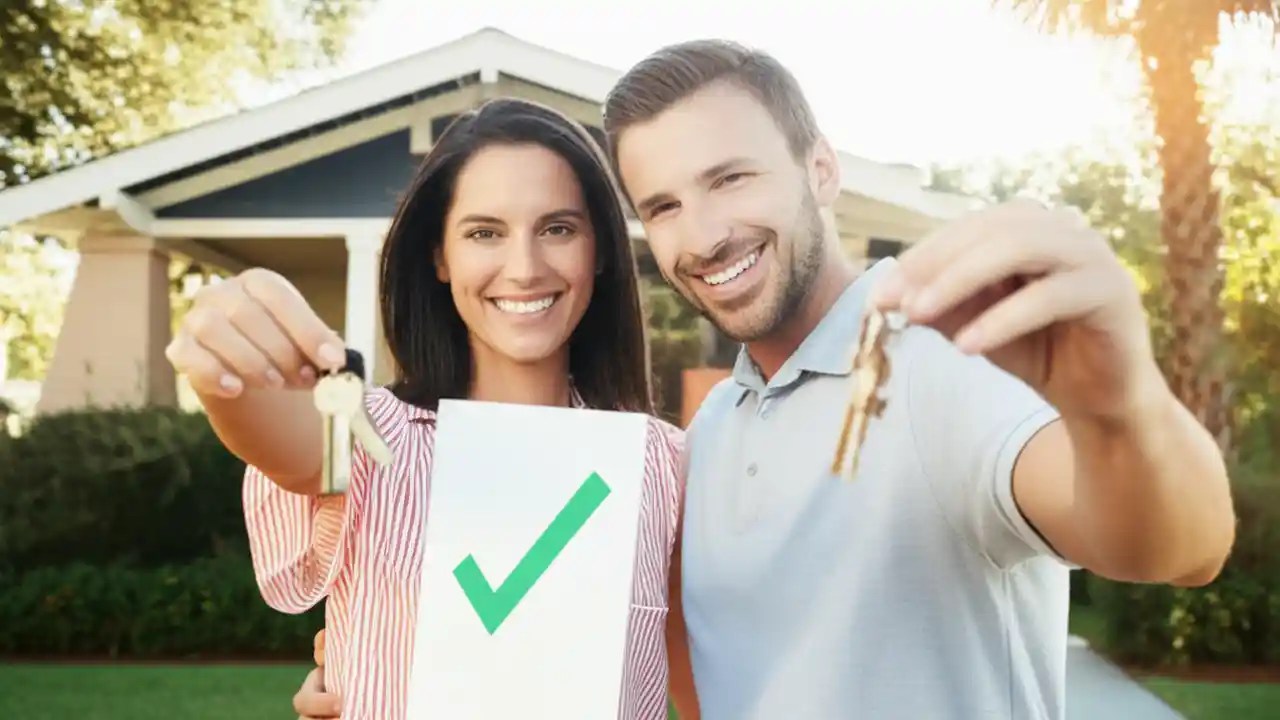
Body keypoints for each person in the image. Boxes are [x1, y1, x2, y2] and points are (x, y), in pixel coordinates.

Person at [296, 40, 1237, 720]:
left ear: (820, 168)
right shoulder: (704, 438)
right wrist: (389, 667)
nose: (703, 235)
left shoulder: (939, 363)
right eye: (663, 205)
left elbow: (1175, 547)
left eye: (733, 178)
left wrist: (1120, 408)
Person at [166, 97, 695, 720]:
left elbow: (692, 685)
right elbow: (274, 431)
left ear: (600, 251)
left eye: (557, 228)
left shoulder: (663, 462)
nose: (524, 268)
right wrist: (226, 348)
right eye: (484, 233)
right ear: (440, 258)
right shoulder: (367, 436)